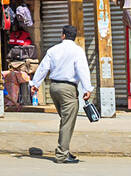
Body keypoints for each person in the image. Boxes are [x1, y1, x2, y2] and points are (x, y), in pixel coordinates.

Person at [31, 24, 94, 164]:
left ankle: (64, 149)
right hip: (68, 89)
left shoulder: (53, 50)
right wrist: (87, 88)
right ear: (74, 37)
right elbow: (82, 70)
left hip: (54, 88)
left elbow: (43, 68)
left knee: (65, 120)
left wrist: (35, 84)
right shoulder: (77, 51)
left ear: (63, 35)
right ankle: (62, 155)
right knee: (67, 121)